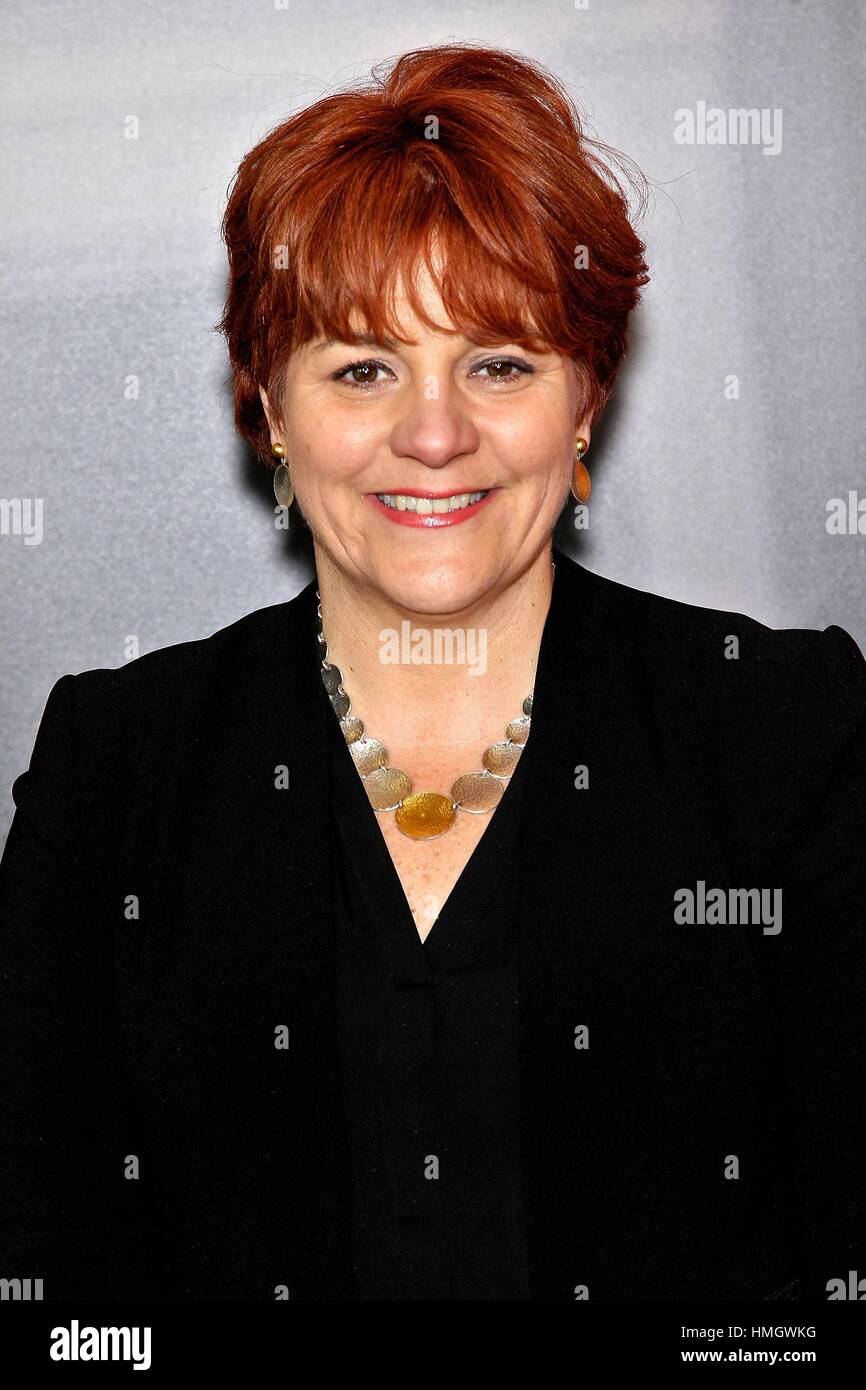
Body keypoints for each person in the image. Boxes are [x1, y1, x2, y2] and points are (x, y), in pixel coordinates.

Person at [1, 41, 864, 1302]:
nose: (435, 433)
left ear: (584, 403)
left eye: (498, 362)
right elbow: (51, 1292)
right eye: (361, 368)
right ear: (268, 411)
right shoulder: (115, 767)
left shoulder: (785, 732)